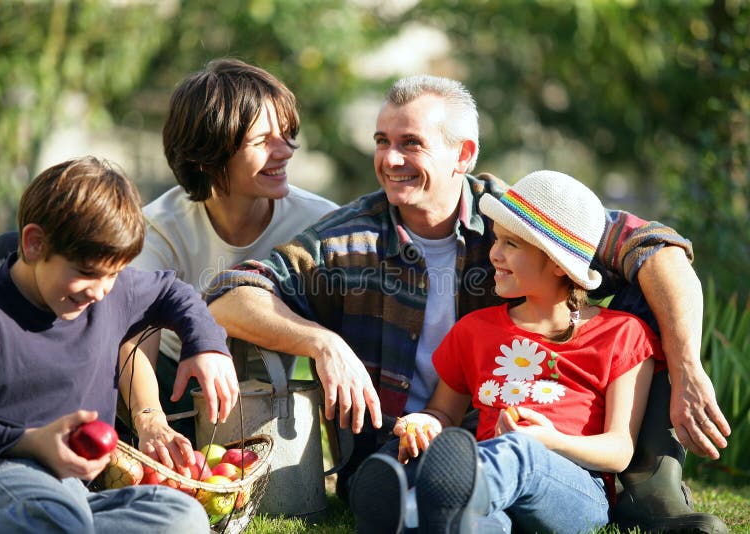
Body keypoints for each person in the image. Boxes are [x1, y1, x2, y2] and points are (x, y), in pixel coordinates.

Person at [206, 75, 729, 531]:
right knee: (441, 495)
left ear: (464, 155)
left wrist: (685, 367)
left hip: (545, 455)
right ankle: (421, 501)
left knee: (648, 289)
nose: (389, 159)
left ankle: (652, 490)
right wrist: (321, 343)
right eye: (382, 141)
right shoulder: (346, 241)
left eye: (411, 143)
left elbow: (655, 248)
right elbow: (229, 296)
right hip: (408, 447)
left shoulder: (521, 218)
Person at [350, 169, 702, 533]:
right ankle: (435, 515)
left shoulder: (622, 334)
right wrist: (427, 422)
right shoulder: (474, 331)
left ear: (556, 263)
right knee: (472, 523)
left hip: (575, 489)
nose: (494, 254)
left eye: (511, 245)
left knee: (523, 453)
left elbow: (618, 451)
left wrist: (551, 441)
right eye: (497, 240)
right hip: (494, 487)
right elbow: (444, 412)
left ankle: (412, 505)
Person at [0, 156, 239, 533]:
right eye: (86, 273)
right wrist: (30, 442)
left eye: (114, 274)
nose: (100, 291)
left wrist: (205, 344)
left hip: (71, 493)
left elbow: (172, 291)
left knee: (182, 517)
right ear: (35, 243)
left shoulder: (110, 293)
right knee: (60, 517)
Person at [122, 58, 338, 470]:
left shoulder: (319, 223)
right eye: (262, 141)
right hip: (173, 384)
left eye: (288, 134)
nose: (286, 151)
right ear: (208, 156)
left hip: (271, 389)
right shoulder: (160, 226)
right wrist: (150, 419)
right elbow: (136, 338)